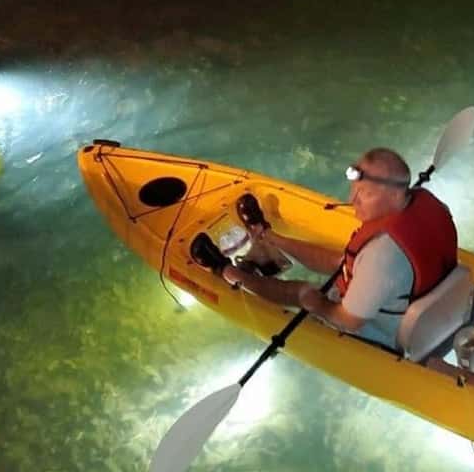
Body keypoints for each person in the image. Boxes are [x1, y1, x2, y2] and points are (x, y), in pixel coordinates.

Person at [190, 147, 459, 349]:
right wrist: (279, 239)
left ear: (394, 195)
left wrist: (317, 304)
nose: (350, 199)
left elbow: (349, 321)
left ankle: (226, 271)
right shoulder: (428, 204)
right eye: (354, 188)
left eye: (364, 194)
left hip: (385, 330)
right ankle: (269, 238)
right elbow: (344, 262)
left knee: (301, 291)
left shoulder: (382, 256)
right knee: (340, 263)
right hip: (423, 298)